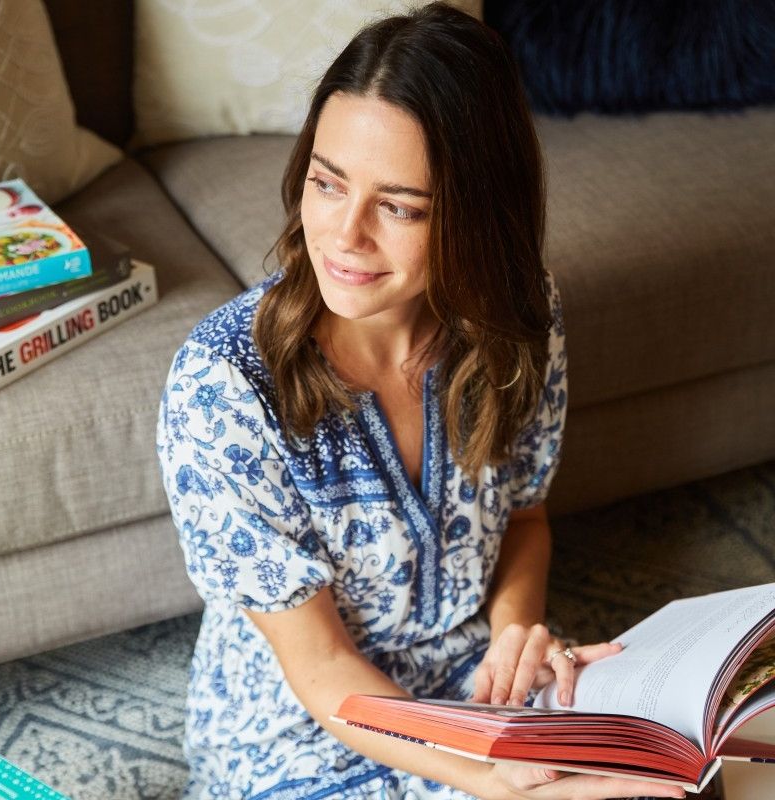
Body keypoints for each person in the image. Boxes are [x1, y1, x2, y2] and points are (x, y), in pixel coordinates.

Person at [156, 4, 684, 799]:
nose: (344, 236)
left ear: (477, 215)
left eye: (399, 207)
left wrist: (513, 639)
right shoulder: (223, 387)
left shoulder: (517, 317)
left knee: (669, 774)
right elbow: (325, 671)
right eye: (327, 184)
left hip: (475, 684)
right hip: (309, 730)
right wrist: (494, 779)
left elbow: (527, 516)